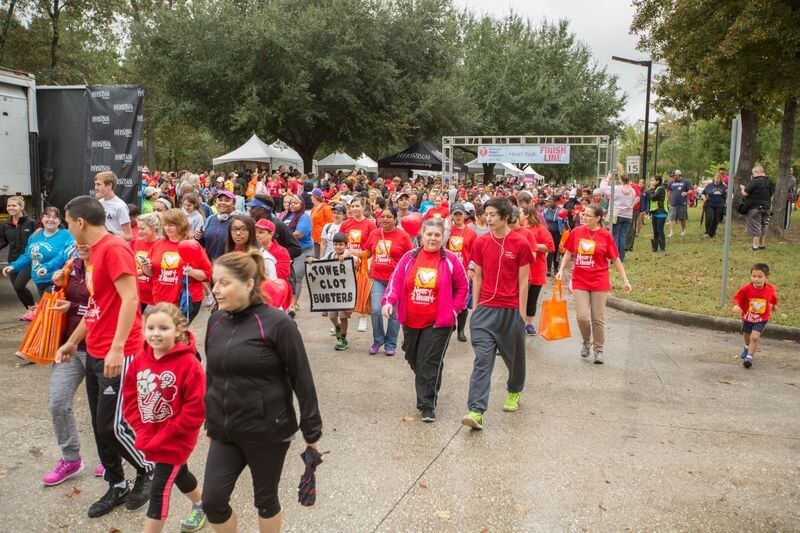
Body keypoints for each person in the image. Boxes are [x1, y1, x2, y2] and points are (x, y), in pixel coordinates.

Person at [202, 251, 322, 532]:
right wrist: (211, 421)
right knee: (212, 502)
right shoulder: (215, 321)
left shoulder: (279, 324)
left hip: (268, 430)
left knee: (265, 500)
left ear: (248, 284)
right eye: (214, 282)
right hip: (225, 430)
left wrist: (312, 433)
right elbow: (212, 376)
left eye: (224, 283)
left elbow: (302, 379)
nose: (215, 290)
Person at [55, 196, 154, 518]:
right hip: (95, 348)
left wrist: (117, 346)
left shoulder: (114, 248)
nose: (68, 228)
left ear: (80, 222)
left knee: (111, 425)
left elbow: (130, 300)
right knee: (101, 427)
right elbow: (97, 305)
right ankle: (117, 484)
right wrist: (72, 341)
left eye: (68, 222)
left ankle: (148, 467)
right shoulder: (94, 253)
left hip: (118, 352)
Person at [122, 303, 207, 533]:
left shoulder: (189, 365)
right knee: (180, 474)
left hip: (176, 439)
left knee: (159, 488)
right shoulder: (141, 357)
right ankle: (202, 504)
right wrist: (140, 427)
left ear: (178, 330)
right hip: (150, 433)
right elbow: (130, 394)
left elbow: (195, 410)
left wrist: (166, 434)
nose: (156, 333)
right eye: (150, 327)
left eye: (163, 328)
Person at [381, 218, 468, 422]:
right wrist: (388, 301)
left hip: (438, 323)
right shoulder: (409, 258)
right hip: (410, 320)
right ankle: (430, 377)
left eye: (437, 235)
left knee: (429, 362)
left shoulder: (451, 260)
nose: (433, 238)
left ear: (443, 237)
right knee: (414, 358)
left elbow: (463, 287)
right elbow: (396, 281)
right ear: (421, 236)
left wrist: (454, 311)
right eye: (429, 234)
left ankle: (427, 405)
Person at [462, 197, 531, 431]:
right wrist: (475, 307)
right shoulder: (481, 243)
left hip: (510, 311)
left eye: (493, 214)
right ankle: (476, 410)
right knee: (482, 360)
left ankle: (514, 391)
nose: (488, 218)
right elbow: (478, 276)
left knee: (515, 360)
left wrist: (521, 314)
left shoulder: (520, 243)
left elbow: (524, 281)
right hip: (485, 313)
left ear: (505, 216)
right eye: (486, 214)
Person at [42, 249, 100, 485]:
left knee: (104, 411)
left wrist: (74, 308)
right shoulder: (72, 265)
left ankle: (112, 456)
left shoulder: (106, 265)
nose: (80, 245)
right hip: (71, 347)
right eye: (77, 241)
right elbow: (67, 298)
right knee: (58, 402)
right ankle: (70, 458)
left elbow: (105, 308)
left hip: (100, 347)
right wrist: (57, 287)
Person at [556, 204, 632, 364]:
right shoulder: (577, 232)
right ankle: (586, 341)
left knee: (597, 318)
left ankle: (599, 350)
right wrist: (561, 270)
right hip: (580, 280)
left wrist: (625, 280)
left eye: (587, 215)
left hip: (599, 280)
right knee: (582, 317)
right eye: (583, 214)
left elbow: (615, 258)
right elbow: (569, 252)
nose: (583, 217)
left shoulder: (605, 235)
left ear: (597, 218)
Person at [146, 209, 212, 325]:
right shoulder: (158, 244)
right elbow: (151, 273)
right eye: (165, 224)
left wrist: (192, 272)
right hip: (161, 299)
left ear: (181, 225)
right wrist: (145, 266)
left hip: (184, 301)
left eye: (172, 225)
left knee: (176, 336)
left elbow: (207, 274)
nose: (167, 228)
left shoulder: (192, 246)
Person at [364, 208, 413, 356]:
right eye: (382, 217)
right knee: (376, 310)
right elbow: (367, 253)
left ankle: (390, 344)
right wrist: (352, 255)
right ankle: (378, 340)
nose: (385, 219)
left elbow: (410, 258)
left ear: (395, 219)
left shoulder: (403, 236)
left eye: (389, 217)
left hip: (396, 281)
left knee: (394, 315)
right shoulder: (374, 234)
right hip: (377, 278)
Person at [2, 206, 74, 298]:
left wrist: (47, 268)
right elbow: (28, 255)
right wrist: (14, 266)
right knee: (46, 309)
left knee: (52, 309)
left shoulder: (67, 235)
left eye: (55, 217)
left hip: (56, 280)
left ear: (59, 221)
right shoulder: (35, 235)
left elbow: (62, 257)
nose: (50, 219)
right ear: (42, 219)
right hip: (39, 280)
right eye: (47, 216)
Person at [306, 232, 358, 350]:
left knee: (343, 316)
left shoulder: (349, 254)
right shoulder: (330, 255)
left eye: (341, 244)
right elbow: (321, 262)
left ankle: (343, 338)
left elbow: (356, 261)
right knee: (332, 316)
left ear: (345, 245)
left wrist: (347, 258)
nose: (338, 247)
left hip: (345, 292)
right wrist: (312, 260)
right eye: (336, 244)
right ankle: (337, 327)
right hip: (333, 292)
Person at [340, 198, 377, 332]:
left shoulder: (370, 225)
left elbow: (373, 245)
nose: (354, 209)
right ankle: (343, 316)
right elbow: (340, 242)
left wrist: (366, 258)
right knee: (346, 287)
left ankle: (363, 317)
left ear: (363, 207)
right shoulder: (345, 224)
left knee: (362, 288)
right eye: (352, 206)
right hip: (347, 259)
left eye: (357, 206)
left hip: (363, 259)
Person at [732, 263, 779, 369]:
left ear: (766, 277)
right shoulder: (746, 288)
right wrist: (736, 305)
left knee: (755, 337)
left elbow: (773, 298)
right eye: (754, 276)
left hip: (762, 318)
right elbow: (737, 297)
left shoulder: (770, 290)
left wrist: (775, 305)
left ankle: (749, 357)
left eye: (760, 276)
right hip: (748, 316)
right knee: (747, 334)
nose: (756, 279)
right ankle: (746, 346)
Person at [0, 196, 38, 319]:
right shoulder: (5, 225)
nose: (10, 208)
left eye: (14, 205)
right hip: (13, 261)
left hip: (28, 260)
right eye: (9, 206)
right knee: (17, 289)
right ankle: (30, 311)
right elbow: (2, 242)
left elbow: (39, 240)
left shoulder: (31, 222)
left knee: (19, 285)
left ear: (21, 207)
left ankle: (33, 308)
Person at [446, 204, 477, 342]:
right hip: (447, 269)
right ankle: (449, 325)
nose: (458, 217)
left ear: (464, 215)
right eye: (455, 214)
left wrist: (471, 268)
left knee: (463, 301)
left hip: (463, 271)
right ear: (451, 215)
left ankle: (461, 330)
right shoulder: (447, 230)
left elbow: (476, 253)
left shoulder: (471, 233)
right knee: (447, 299)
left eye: (460, 214)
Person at [520, 206, 553, 335]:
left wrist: (532, 244)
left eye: (521, 212)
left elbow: (549, 247)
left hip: (536, 268)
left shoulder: (540, 229)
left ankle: (529, 324)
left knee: (532, 298)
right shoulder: (516, 229)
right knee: (520, 298)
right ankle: (519, 323)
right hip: (521, 269)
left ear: (527, 215)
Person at [281, 195, 313, 310]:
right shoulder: (285, 216)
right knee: (285, 277)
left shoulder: (304, 217)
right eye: (291, 203)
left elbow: (299, 234)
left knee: (297, 277)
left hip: (303, 250)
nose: (292, 205)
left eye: (295, 203)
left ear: (302, 205)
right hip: (288, 250)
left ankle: (293, 304)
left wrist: (282, 236)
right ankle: (285, 301)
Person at [600, 174, 637, 261]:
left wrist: (608, 178)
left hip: (616, 214)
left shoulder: (616, 189)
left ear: (621, 180)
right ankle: (621, 257)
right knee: (623, 236)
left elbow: (603, 189)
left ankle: (615, 256)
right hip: (627, 215)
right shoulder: (632, 191)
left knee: (615, 236)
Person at [741, 165, 774, 250]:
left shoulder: (755, 181)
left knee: (755, 226)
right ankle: (762, 245)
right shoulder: (769, 182)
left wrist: (742, 189)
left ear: (756, 172)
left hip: (755, 207)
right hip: (767, 207)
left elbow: (745, 193)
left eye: (753, 173)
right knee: (763, 226)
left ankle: (755, 246)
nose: (753, 175)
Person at [133, 213, 161, 312]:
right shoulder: (137, 242)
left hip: (153, 294)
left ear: (154, 228)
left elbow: (156, 270)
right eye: (138, 228)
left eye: (143, 229)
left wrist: (133, 274)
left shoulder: (161, 244)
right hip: (138, 292)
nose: (139, 231)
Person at [94, 171, 133, 241]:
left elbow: (128, 236)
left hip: (115, 247)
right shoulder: (99, 202)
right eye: (95, 184)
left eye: (98, 184)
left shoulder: (120, 206)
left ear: (109, 185)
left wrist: (110, 239)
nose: (96, 187)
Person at [198, 190, 236, 261]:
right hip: (209, 264)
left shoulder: (237, 221)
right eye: (220, 200)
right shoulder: (210, 218)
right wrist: (198, 237)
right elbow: (203, 243)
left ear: (233, 203)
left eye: (227, 200)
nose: (222, 203)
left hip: (228, 266)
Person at [667, 170, 692, 237]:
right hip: (673, 203)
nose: (672, 177)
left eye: (673, 175)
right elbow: (669, 191)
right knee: (671, 217)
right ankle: (671, 232)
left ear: (678, 175)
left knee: (682, 218)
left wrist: (686, 193)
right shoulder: (671, 182)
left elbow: (690, 190)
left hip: (682, 203)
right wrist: (669, 201)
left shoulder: (686, 181)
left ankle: (683, 230)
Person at [702, 173, 727, 238]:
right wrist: (704, 198)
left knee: (716, 219)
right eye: (715, 178)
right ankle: (707, 232)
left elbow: (727, 195)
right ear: (713, 179)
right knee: (710, 217)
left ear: (720, 179)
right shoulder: (709, 185)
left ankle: (713, 232)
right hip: (709, 204)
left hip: (719, 205)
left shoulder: (724, 186)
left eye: (718, 178)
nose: (716, 180)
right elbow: (703, 193)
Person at [310, 189, 334, 259]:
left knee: (323, 257)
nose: (310, 197)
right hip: (315, 237)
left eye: (311, 196)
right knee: (317, 257)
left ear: (315, 197)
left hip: (322, 238)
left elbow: (330, 223)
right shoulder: (314, 208)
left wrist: (325, 236)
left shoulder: (326, 208)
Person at [648, 176, 668, 252]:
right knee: (655, 231)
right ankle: (655, 247)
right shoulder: (656, 189)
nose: (651, 181)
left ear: (657, 181)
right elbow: (649, 194)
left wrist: (651, 190)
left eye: (652, 180)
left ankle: (662, 247)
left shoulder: (661, 189)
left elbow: (653, 197)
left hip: (661, 212)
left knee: (660, 230)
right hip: (655, 212)